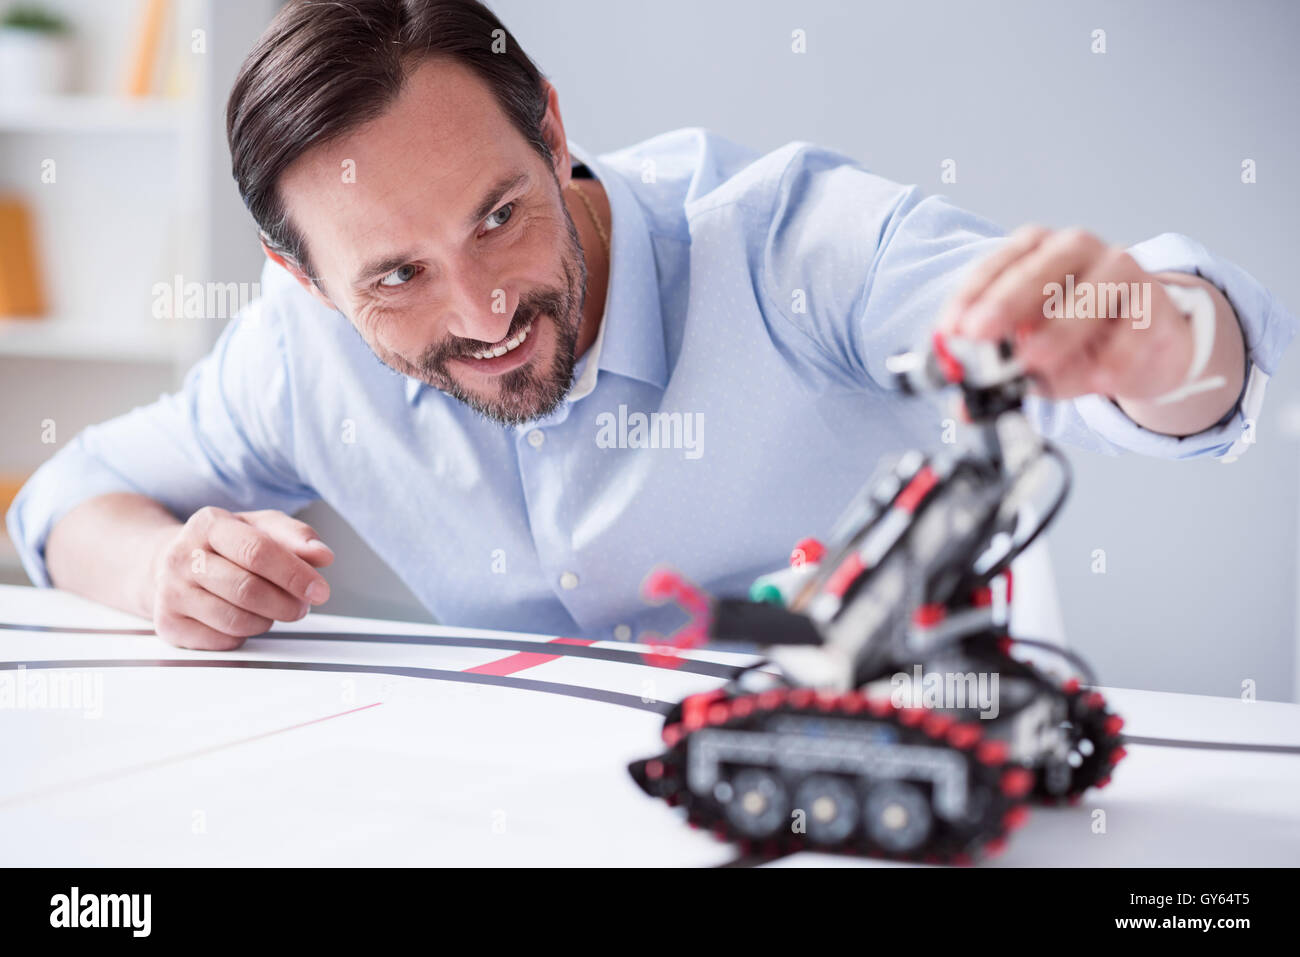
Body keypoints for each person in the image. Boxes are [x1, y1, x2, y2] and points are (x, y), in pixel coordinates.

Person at [7, 0, 1294, 650]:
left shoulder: (796, 246)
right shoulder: (297, 356)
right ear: (303, 281)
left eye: (501, 215)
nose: (485, 310)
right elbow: (63, 499)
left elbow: (1185, 367)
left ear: (554, 130)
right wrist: (164, 575)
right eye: (393, 279)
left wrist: (1153, 338)